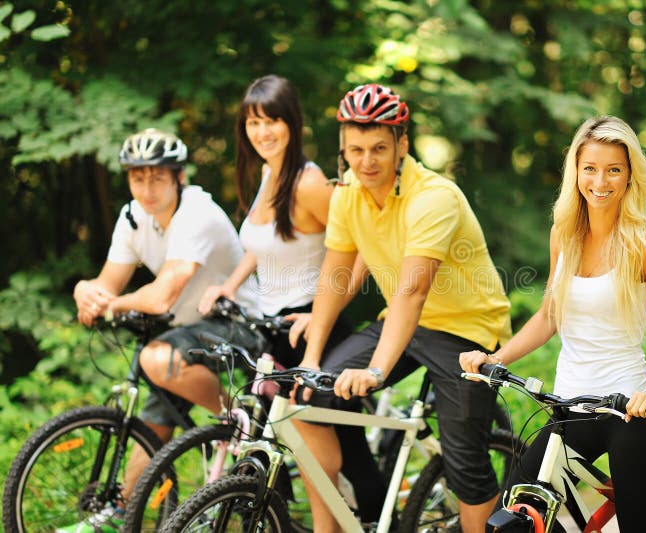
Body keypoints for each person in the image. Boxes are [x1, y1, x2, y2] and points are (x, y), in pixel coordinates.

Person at [295, 83, 512, 532]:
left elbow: (412, 292)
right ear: (342, 148)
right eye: (355, 149)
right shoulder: (347, 195)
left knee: (466, 470)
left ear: (402, 145)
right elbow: (335, 280)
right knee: (311, 397)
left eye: (378, 148)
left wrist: (375, 372)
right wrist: (311, 358)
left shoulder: (433, 196)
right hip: (400, 323)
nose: (366, 161)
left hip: (465, 330)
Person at [460, 116, 646, 532]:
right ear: (576, 172)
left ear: (629, 177)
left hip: (627, 411)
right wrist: (495, 358)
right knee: (512, 520)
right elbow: (551, 314)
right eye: (590, 168)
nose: (600, 181)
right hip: (569, 409)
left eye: (613, 169)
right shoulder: (563, 235)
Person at [64, 127, 263, 533]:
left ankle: (241, 423)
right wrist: (84, 290)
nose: (147, 188)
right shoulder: (133, 217)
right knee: (150, 425)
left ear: (178, 177)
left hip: (241, 326)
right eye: (138, 177)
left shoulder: (197, 213)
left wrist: (112, 304)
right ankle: (122, 513)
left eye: (157, 177)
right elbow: (106, 284)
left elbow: (161, 297)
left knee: (156, 358)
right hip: (188, 331)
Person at [197, 74, 351, 362]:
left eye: (272, 121)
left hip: (309, 326)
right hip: (272, 324)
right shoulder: (271, 173)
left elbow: (358, 248)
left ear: (292, 122)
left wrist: (320, 314)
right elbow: (264, 246)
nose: (262, 132)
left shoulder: (308, 184)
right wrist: (229, 287)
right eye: (254, 123)